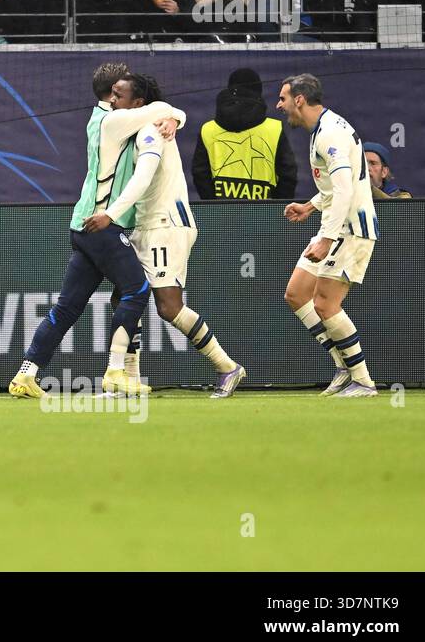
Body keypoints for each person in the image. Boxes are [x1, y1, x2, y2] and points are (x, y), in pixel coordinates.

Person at [9, 61, 185, 399]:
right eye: (118, 91)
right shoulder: (114, 120)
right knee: (136, 290)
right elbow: (160, 107)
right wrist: (174, 117)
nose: (120, 96)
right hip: (101, 225)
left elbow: (158, 109)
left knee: (66, 309)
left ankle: (25, 375)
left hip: (83, 225)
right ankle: (116, 371)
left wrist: (174, 118)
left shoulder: (104, 118)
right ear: (113, 96)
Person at [83, 73, 247, 398]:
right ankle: (129, 381)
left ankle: (227, 367)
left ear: (138, 103)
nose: (112, 100)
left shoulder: (151, 131)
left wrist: (110, 214)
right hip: (146, 225)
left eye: (119, 95)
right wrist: (175, 115)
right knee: (126, 295)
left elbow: (143, 178)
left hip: (166, 224)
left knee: (169, 307)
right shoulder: (147, 122)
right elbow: (170, 110)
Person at [278, 73, 380, 397]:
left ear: (299, 99)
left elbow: (346, 188)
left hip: (350, 229)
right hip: (336, 226)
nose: (279, 105)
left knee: (325, 302)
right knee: (296, 294)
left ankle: (363, 381)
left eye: (282, 98)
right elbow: (334, 188)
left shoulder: (329, 133)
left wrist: (326, 238)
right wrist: (310, 205)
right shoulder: (323, 129)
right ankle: (343, 367)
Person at [193, 67, 298, 202]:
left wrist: (215, 205)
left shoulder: (208, 130)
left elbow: (200, 174)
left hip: (220, 215)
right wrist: (276, 208)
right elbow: (288, 174)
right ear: (259, 93)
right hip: (265, 214)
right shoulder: (274, 129)